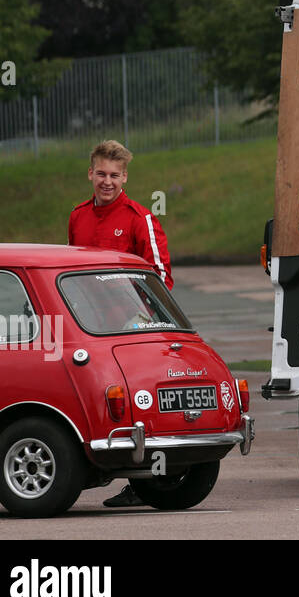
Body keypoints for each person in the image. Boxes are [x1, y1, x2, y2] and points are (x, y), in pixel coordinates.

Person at [68, 139, 174, 506]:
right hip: (89, 331)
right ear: (90, 173)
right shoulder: (77, 216)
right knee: (99, 401)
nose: (107, 181)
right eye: (101, 173)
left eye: (114, 175)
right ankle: (98, 468)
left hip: (131, 331)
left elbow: (160, 277)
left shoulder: (139, 218)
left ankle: (146, 484)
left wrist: (142, 324)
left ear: (124, 176)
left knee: (137, 402)